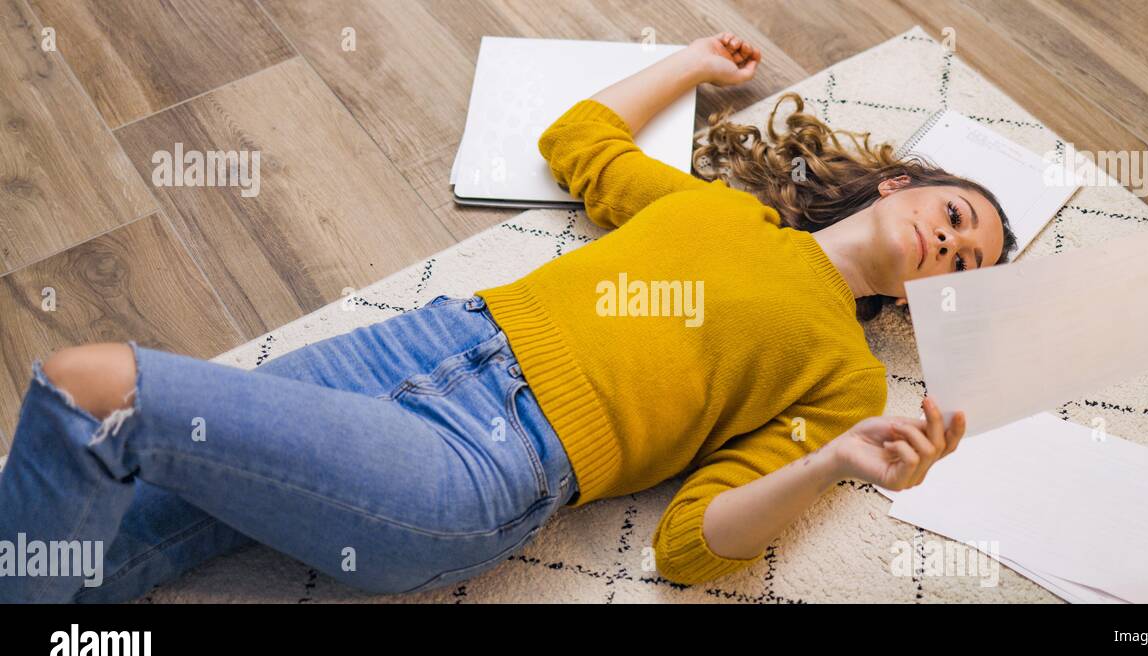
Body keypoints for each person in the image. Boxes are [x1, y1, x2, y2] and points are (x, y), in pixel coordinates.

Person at [0, 32, 1011, 603]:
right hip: (417, 345)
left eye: (967, 264)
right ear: (899, 185)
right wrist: (696, 63)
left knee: (97, 392)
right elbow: (579, 137)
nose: (953, 245)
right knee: (106, 541)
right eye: (957, 216)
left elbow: (693, 545)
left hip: (491, 462)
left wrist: (834, 462)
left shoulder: (847, 377)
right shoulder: (721, 208)